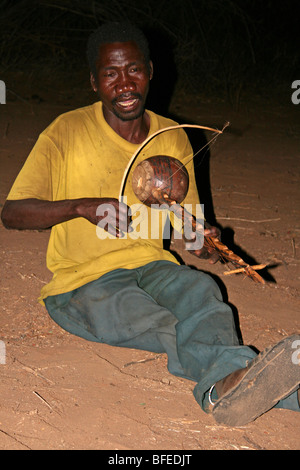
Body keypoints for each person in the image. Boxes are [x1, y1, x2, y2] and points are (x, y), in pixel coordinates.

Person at [1, 22, 299, 427]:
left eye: (134, 69)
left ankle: (234, 388)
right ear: (94, 82)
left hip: (154, 267)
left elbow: (188, 230)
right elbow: (13, 213)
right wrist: (81, 206)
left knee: (201, 289)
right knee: (166, 323)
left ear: (151, 71)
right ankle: (241, 385)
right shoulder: (66, 131)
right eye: (110, 73)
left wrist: (205, 241)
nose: (125, 84)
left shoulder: (172, 138)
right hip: (83, 285)